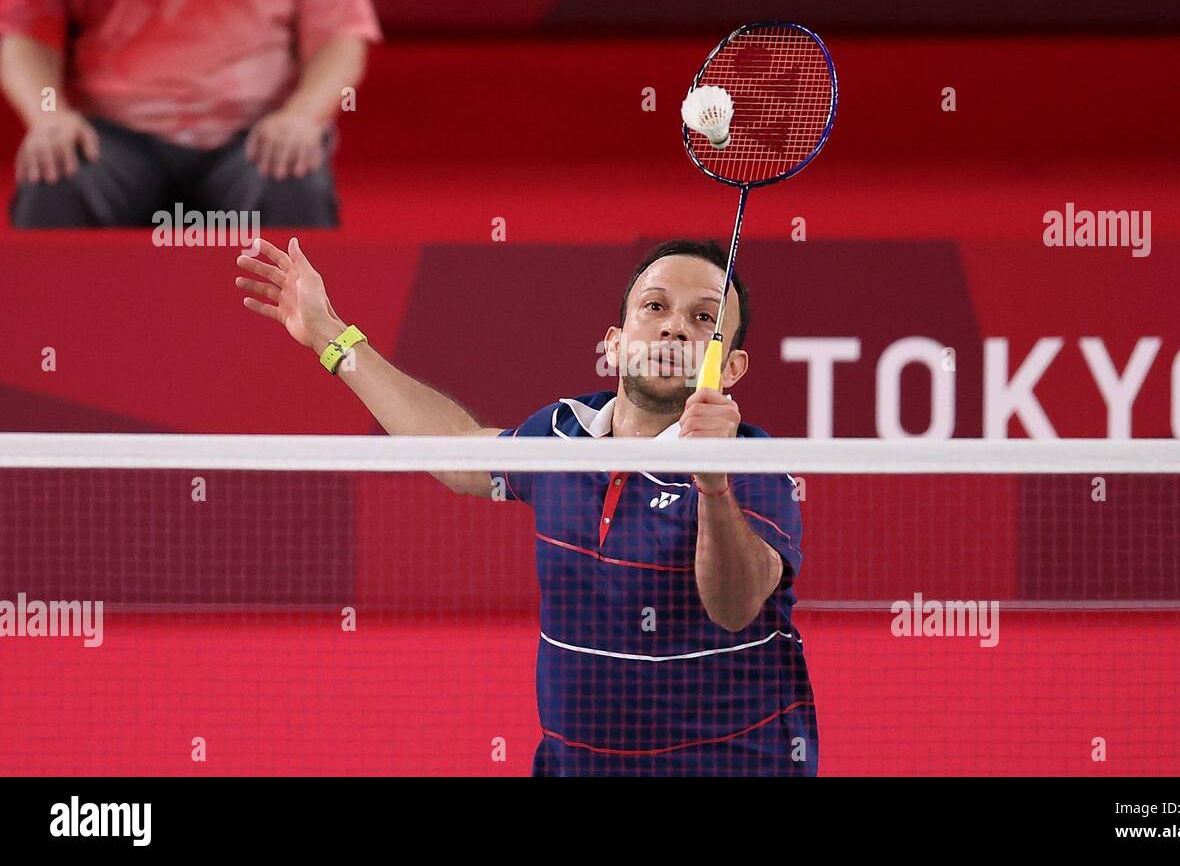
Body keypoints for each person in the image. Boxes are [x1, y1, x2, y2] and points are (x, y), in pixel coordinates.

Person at [236, 236, 818, 776]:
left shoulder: (754, 466)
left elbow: (736, 606)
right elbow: (457, 457)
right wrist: (331, 336)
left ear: (733, 369)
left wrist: (714, 484)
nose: (673, 330)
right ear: (614, 342)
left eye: (703, 319)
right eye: (655, 307)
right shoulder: (563, 435)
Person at [0, 0, 381, 228]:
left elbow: (339, 39)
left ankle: (305, 337)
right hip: (111, 139)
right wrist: (47, 116)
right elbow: (25, 35)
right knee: (52, 174)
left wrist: (301, 117)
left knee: (294, 177)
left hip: (251, 139)